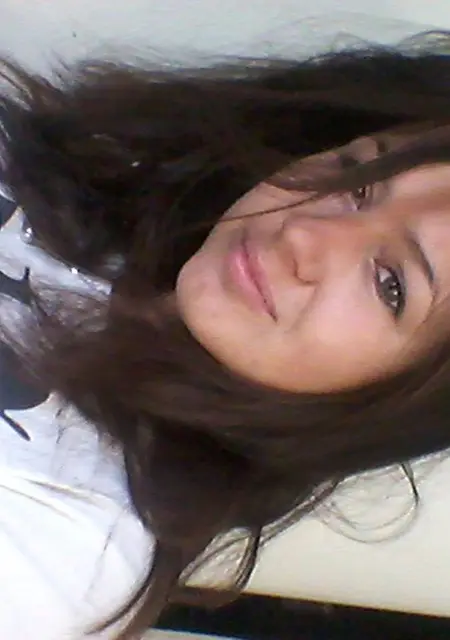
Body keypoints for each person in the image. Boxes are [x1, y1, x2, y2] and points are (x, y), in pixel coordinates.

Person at [0, 29, 450, 639]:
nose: (305, 233)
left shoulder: (65, 546)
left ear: (399, 402)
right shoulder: (92, 183)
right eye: (357, 181)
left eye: (390, 283)